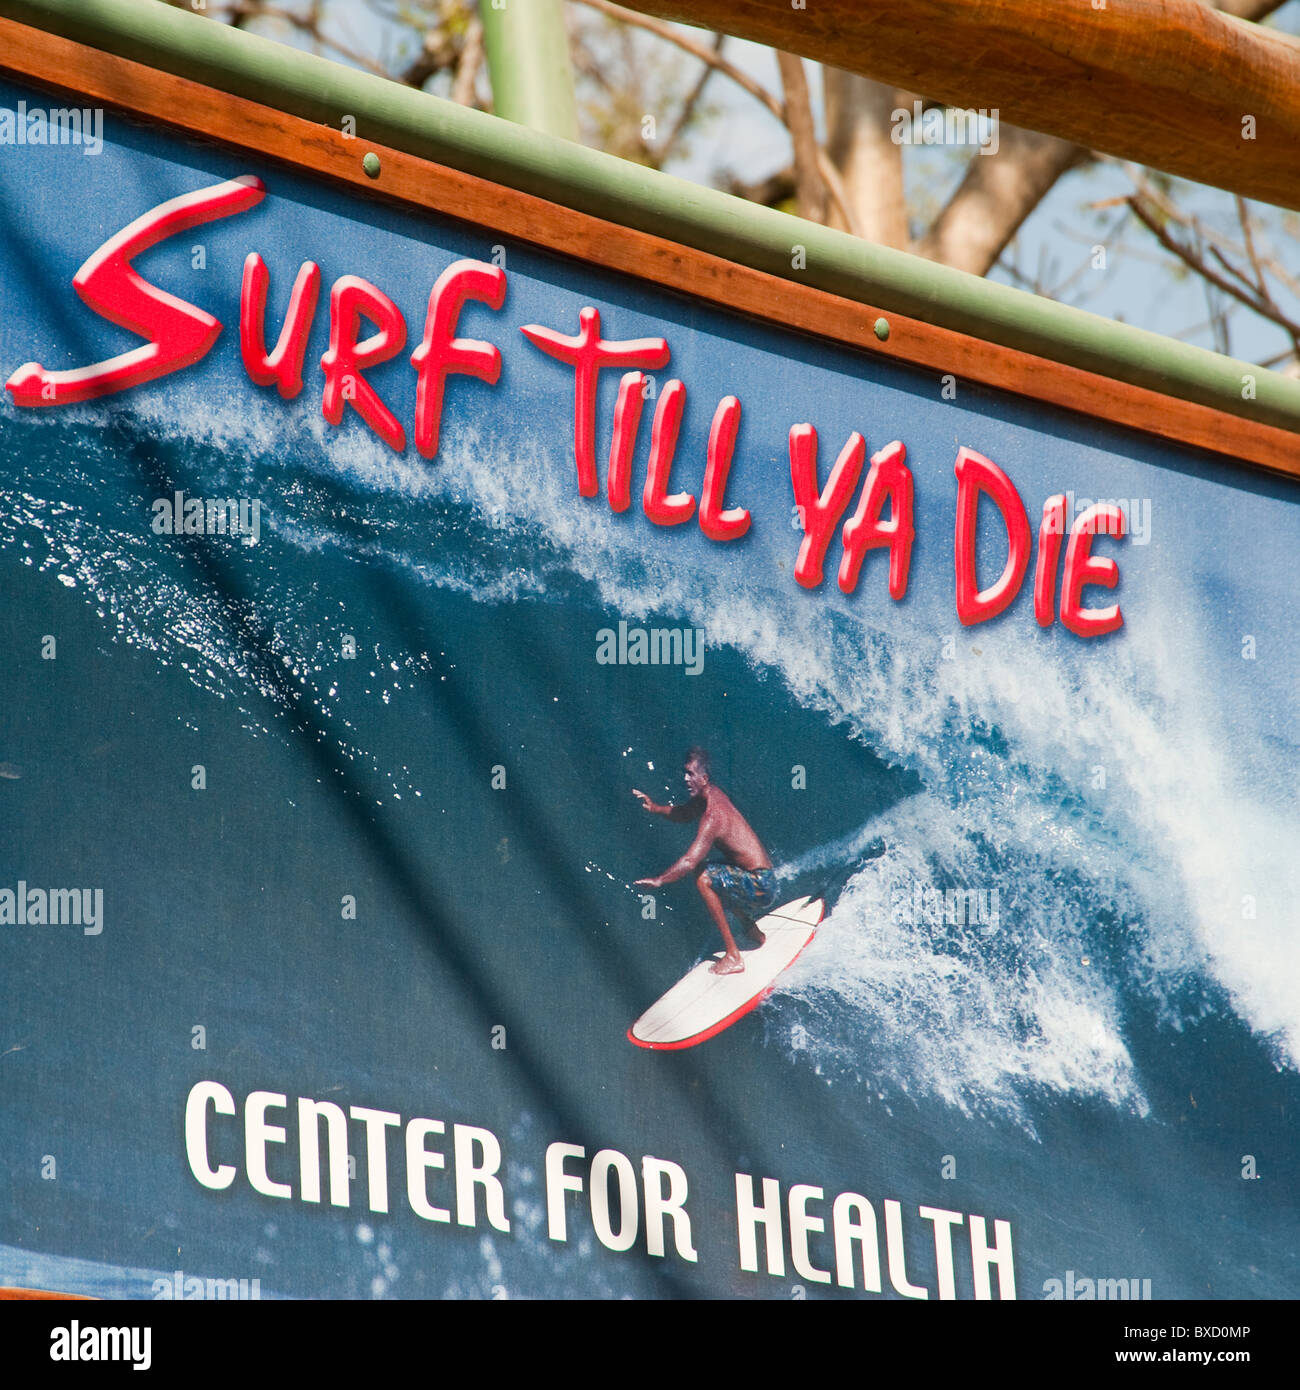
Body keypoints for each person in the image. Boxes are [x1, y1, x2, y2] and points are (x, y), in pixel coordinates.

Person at [634, 747, 776, 975]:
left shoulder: (713, 815)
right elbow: (683, 814)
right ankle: (751, 930)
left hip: (761, 886)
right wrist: (654, 808)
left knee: (703, 877)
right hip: (760, 879)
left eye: (690, 774)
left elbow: (690, 860)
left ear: (704, 778)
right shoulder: (708, 795)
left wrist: (660, 880)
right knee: (712, 873)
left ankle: (733, 956)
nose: (685, 778)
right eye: (685, 773)